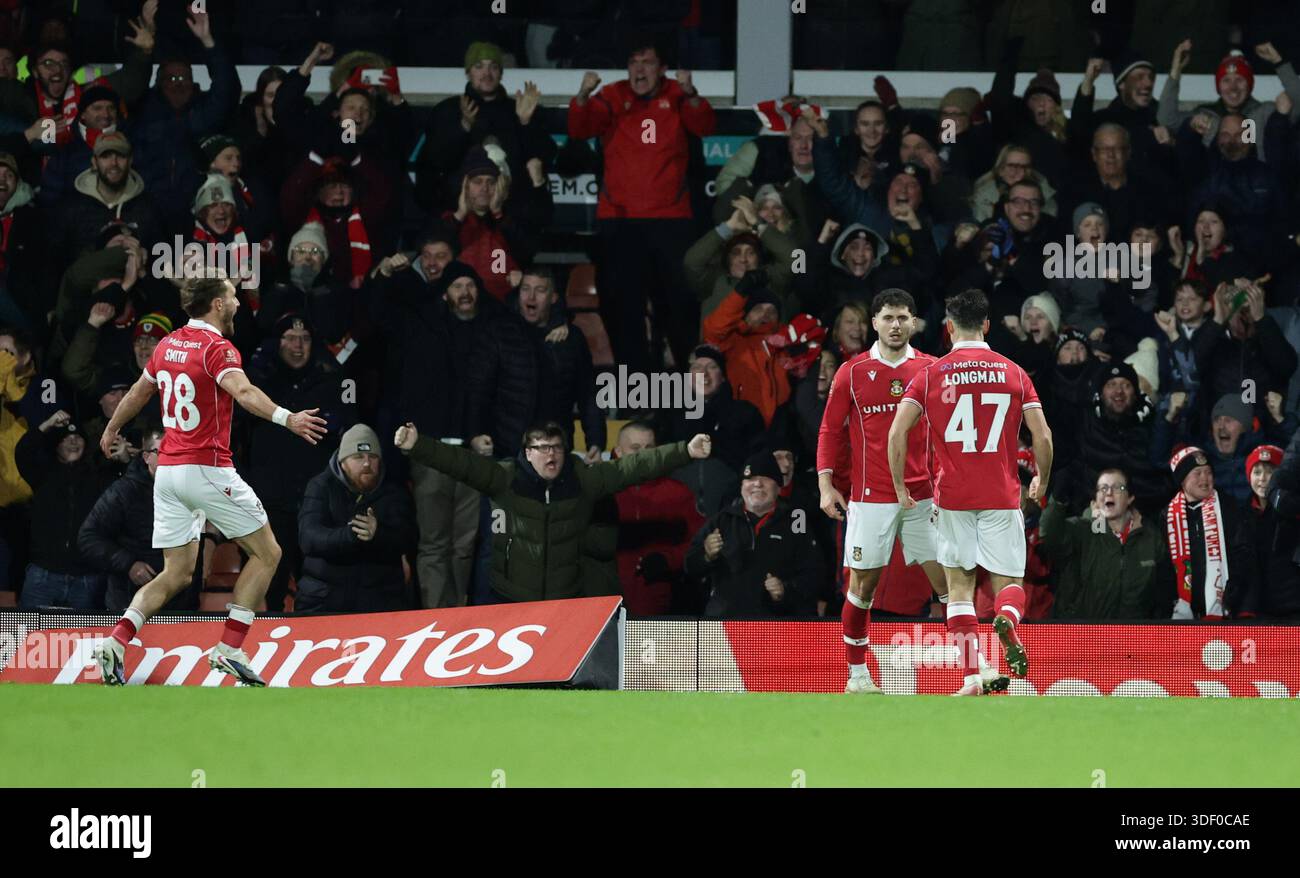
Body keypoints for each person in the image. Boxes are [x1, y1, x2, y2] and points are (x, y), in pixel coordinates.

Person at [92, 275, 327, 687]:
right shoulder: (217, 348)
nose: (238, 303)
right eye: (233, 297)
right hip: (206, 468)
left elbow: (137, 392)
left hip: (167, 472)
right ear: (217, 305)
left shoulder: (167, 345)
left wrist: (112, 429)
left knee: (177, 573)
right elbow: (245, 392)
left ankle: (116, 640)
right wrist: (286, 417)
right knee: (269, 553)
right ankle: (230, 648)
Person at [818, 289, 1007, 695]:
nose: (896, 325)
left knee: (950, 584)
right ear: (874, 323)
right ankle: (857, 675)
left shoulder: (932, 369)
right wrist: (825, 485)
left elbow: (953, 432)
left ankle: (978, 669)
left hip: (924, 499)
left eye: (903, 317)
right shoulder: (851, 373)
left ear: (915, 323)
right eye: (887, 317)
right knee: (862, 589)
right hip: (870, 499)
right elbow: (830, 431)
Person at [888, 289, 1053, 695]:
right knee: (1010, 580)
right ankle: (1008, 621)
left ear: (948, 328)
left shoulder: (930, 374)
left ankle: (969, 678)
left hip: (952, 498)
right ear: (987, 326)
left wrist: (899, 487)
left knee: (958, 590)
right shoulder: (1014, 372)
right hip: (1001, 494)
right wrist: (1042, 481)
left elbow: (896, 432)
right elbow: (1043, 435)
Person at [393, 419, 712, 603]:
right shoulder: (505, 478)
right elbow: (461, 463)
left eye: (556, 447)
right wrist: (417, 445)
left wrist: (685, 450)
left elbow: (635, 466)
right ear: (527, 452)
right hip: (512, 598)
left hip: (565, 601)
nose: (551, 455)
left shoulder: (583, 479)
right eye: (541, 448)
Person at [567, 33, 715, 373]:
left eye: (647, 62)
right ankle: (635, 386)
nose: (639, 70)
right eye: (633, 62)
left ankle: (689, 383)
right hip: (620, 222)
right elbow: (579, 129)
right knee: (621, 307)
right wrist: (582, 96)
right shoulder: (612, 95)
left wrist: (691, 93)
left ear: (662, 68)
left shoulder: (677, 95)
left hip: (670, 221)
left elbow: (705, 125)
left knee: (678, 304)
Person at [78, 427, 205, 613]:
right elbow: (88, 537)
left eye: (177, 452)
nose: (172, 459)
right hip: (131, 603)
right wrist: (128, 564)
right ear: (146, 457)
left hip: (182, 606)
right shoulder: (124, 491)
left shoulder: (192, 490)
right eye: (163, 452)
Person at [684, 450, 822, 617]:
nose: (757, 484)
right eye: (750, 478)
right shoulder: (722, 520)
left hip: (778, 624)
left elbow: (814, 574)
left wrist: (786, 589)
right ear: (741, 486)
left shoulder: (796, 519)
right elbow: (689, 566)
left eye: (765, 478)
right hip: (726, 625)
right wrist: (706, 555)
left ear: (778, 487)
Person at [297, 424, 415, 613]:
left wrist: (378, 533)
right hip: (323, 598)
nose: (367, 463)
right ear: (343, 462)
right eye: (358, 457)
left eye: (373, 457)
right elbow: (308, 539)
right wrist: (349, 535)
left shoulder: (394, 491)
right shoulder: (321, 486)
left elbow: (409, 539)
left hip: (380, 599)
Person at [1040, 467, 1172, 619]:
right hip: (1082, 636)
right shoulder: (1082, 531)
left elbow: (1164, 588)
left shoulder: (1150, 537)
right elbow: (1049, 536)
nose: (1108, 493)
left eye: (1117, 488)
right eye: (1102, 488)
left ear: (1130, 498)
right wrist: (1057, 500)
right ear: (1095, 499)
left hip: (1133, 637)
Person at [14, 412, 110, 609]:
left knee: (84, 639)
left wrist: (124, 461)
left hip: (86, 578)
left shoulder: (98, 478)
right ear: (56, 445)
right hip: (43, 575)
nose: (73, 442)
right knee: (30, 637)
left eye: (78, 438)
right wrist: (47, 424)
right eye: (66, 438)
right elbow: (23, 452)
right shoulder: (42, 474)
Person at [1163, 446, 1255, 619]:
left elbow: (1243, 556)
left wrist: (1231, 597)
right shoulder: (1167, 516)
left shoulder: (1229, 507)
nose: (1205, 478)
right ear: (1182, 480)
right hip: (1182, 616)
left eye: (1208, 472)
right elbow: (1164, 569)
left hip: (1226, 612)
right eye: (1197, 473)